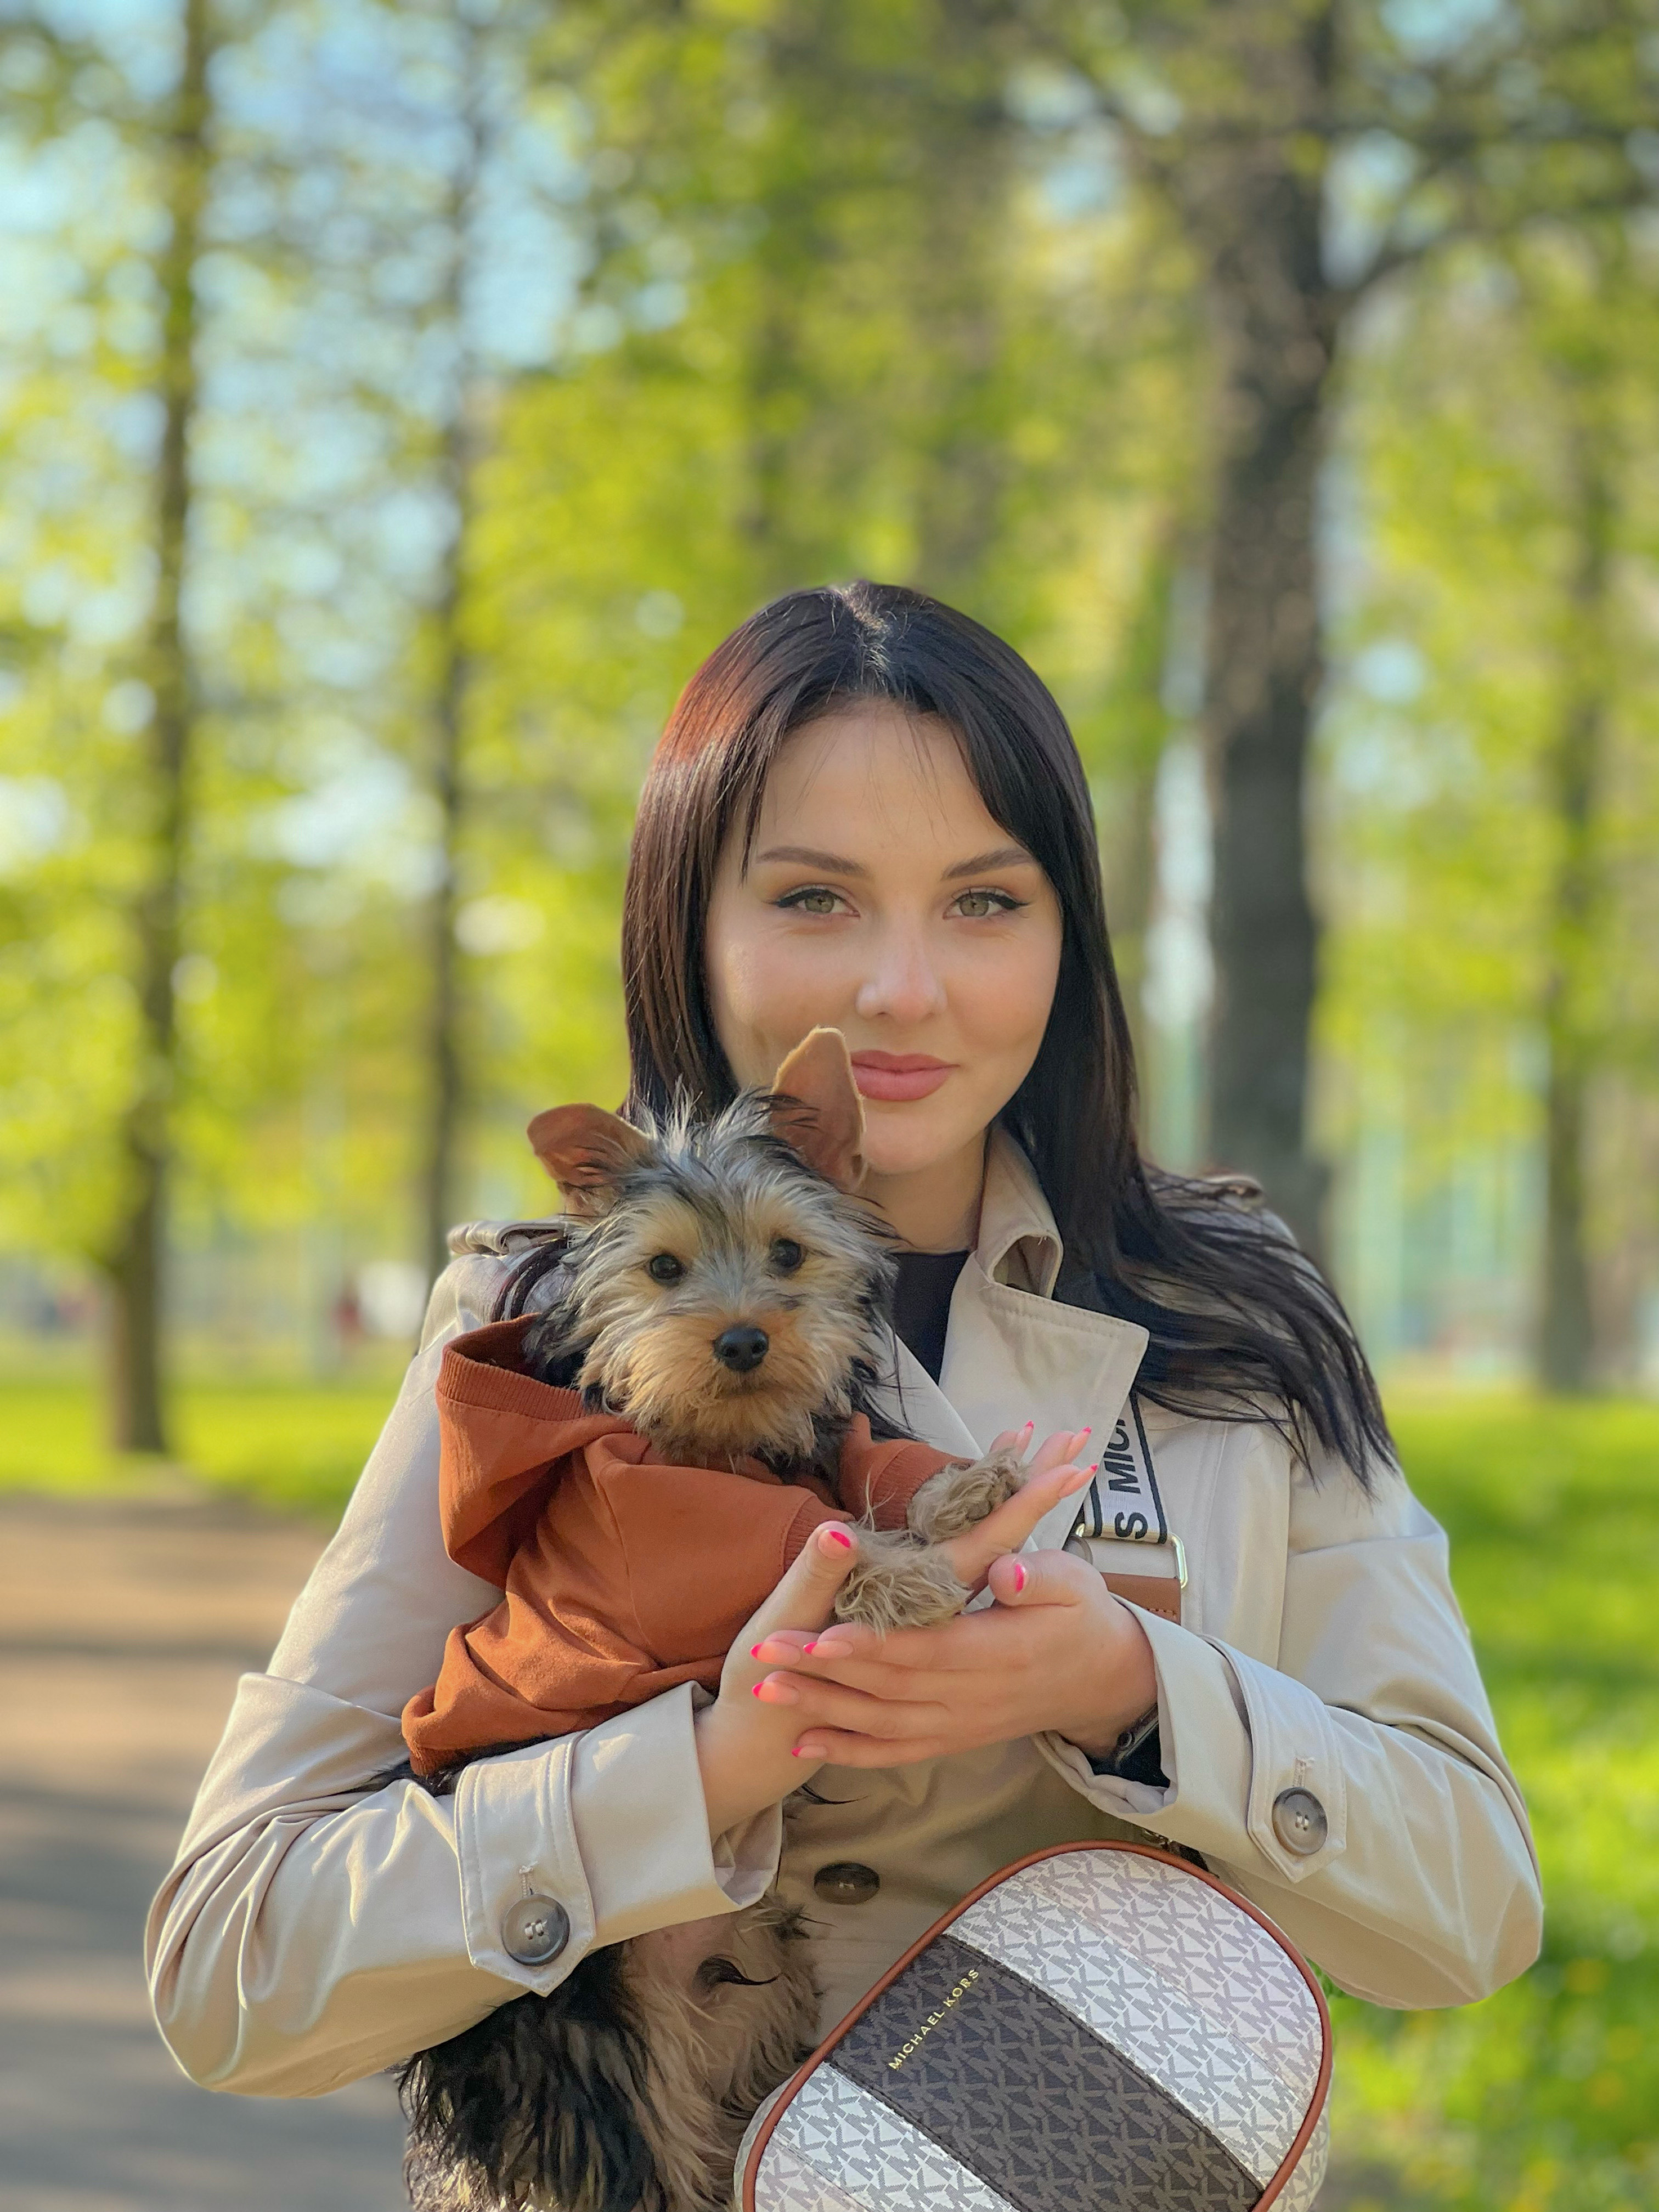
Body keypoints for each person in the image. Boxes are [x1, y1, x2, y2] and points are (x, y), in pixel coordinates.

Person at [147, 581, 1541, 2110]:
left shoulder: (1233, 1317)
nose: (902, 989)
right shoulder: (527, 1328)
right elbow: (230, 1970)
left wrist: (1136, 1691)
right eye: (815, 899)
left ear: (1070, 937)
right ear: (690, 925)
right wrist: (698, 1776)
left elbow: (1475, 1907)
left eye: (985, 902)